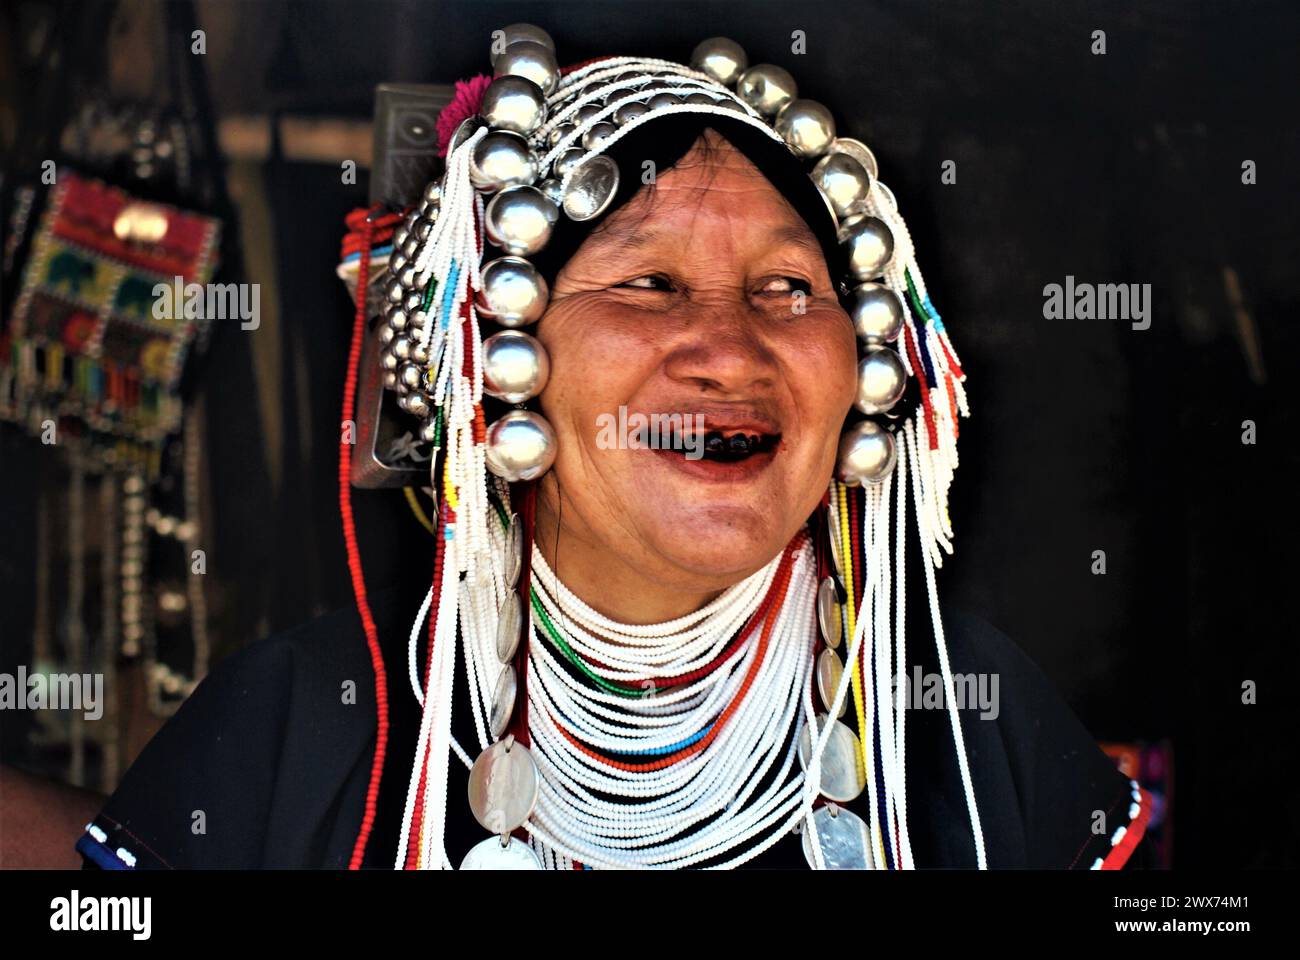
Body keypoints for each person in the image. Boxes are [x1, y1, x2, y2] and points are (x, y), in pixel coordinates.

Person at [76, 26, 1152, 870]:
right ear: (496, 350)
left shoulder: (969, 718)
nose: (732, 353)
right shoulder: (302, 727)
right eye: (648, 284)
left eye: (788, 291)